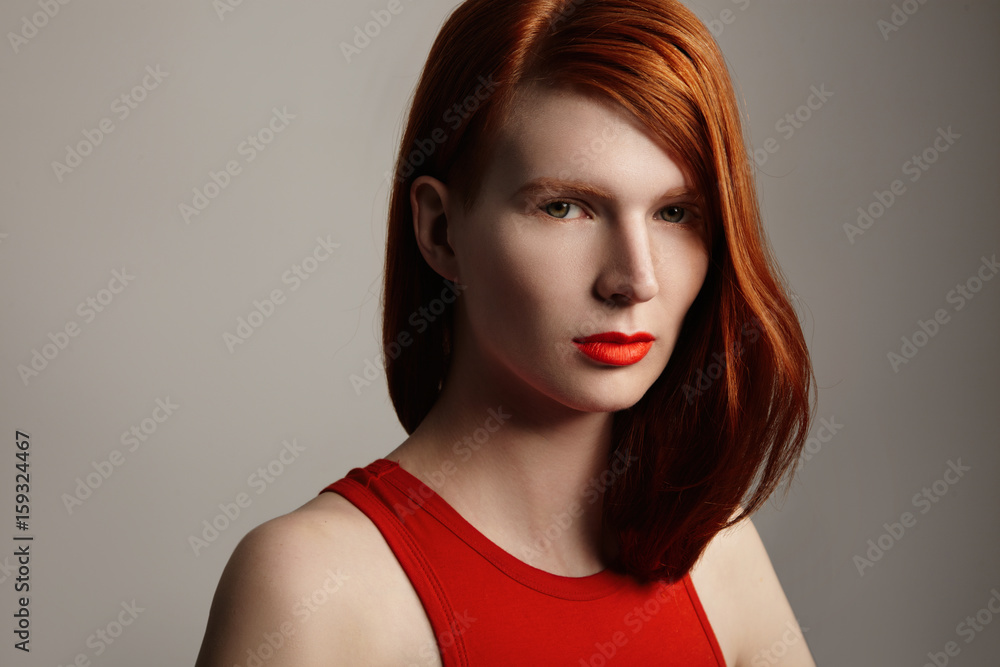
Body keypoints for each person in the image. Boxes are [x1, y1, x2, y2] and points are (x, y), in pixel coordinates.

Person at [194, 0, 817, 664]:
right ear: (440, 230)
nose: (635, 278)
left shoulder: (716, 555)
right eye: (565, 206)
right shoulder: (313, 588)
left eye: (674, 212)